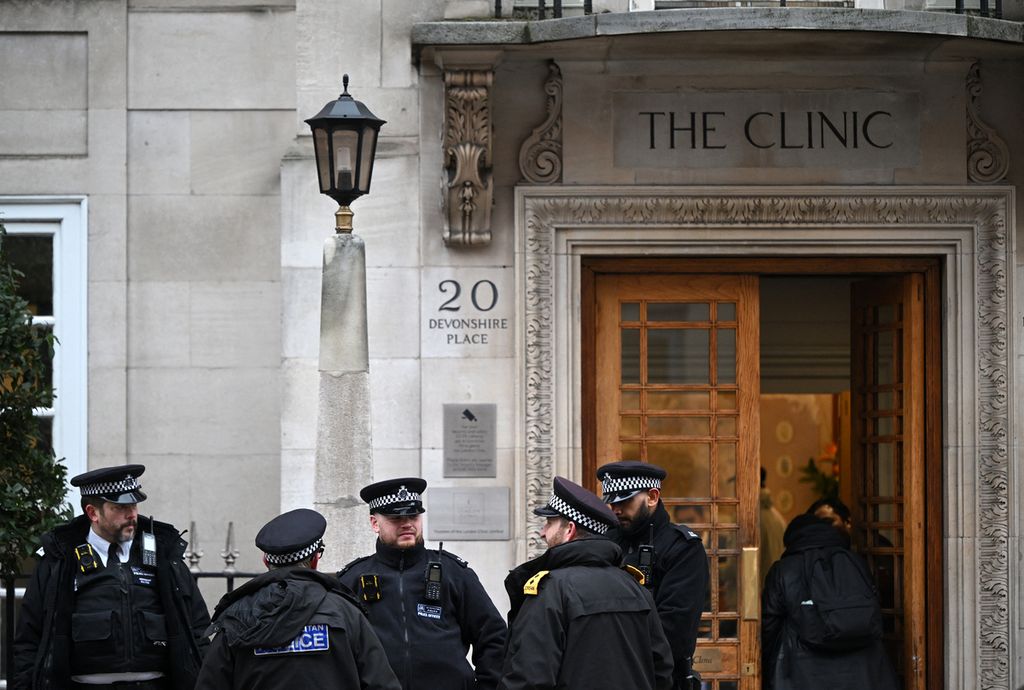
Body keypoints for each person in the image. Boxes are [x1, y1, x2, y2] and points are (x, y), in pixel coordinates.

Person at [13, 464, 210, 690]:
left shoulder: (164, 555)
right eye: (120, 507)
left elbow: (197, 629)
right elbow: (29, 639)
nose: (132, 515)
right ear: (92, 513)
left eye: (134, 505)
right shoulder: (60, 559)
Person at [499, 476, 674, 690]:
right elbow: (662, 671)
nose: (543, 532)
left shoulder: (551, 590)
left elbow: (529, 678)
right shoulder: (636, 588)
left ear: (569, 530)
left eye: (549, 523)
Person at [195, 508, 401, 690]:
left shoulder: (235, 615)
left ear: (266, 560)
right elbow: (380, 682)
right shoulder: (345, 612)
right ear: (314, 559)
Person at [337, 477, 507, 690]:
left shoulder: (453, 573)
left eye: (413, 516)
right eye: (396, 518)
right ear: (375, 523)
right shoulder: (352, 580)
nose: (407, 523)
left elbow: (493, 637)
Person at [597, 461, 708, 690]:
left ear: (653, 497)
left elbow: (676, 634)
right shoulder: (606, 543)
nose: (616, 510)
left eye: (625, 501)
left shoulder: (682, 548)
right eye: (612, 502)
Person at [761, 513, 898, 690]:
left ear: (791, 540)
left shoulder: (783, 570)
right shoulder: (856, 562)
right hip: (865, 673)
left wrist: (763, 667)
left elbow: (769, 626)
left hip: (801, 673)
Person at [760, 467, 787, 588]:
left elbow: (737, 566)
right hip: (777, 587)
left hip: (760, 592)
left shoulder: (753, 518)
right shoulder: (777, 516)